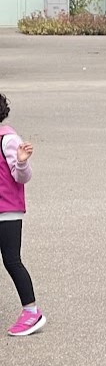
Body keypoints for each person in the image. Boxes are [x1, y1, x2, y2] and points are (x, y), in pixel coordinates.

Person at [0, 94, 45, 336]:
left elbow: (22, 177)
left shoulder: (7, 140)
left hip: (7, 211)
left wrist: (22, 162)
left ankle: (31, 312)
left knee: (11, 260)